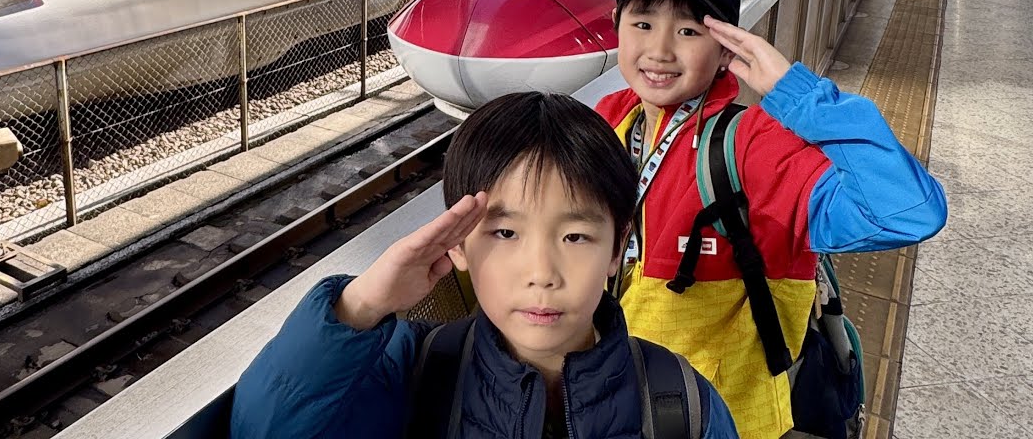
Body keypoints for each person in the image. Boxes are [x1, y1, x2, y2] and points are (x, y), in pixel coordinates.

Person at [230, 92, 740, 439]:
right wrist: (360, 305)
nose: (541, 272)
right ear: (457, 245)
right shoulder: (410, 371)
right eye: (504, 232)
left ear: (617, 249)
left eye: (575, 235)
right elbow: (264, 428)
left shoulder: (683, 403)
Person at [594, 0, 947, 439]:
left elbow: (909, 211)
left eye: (690, 31)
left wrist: (796, 94)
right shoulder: (606, 121)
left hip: (721, 419)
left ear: (726, 51)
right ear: (616, 23)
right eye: (643, 23)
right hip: (613, 400)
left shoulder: (753, 148)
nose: (659, 50)